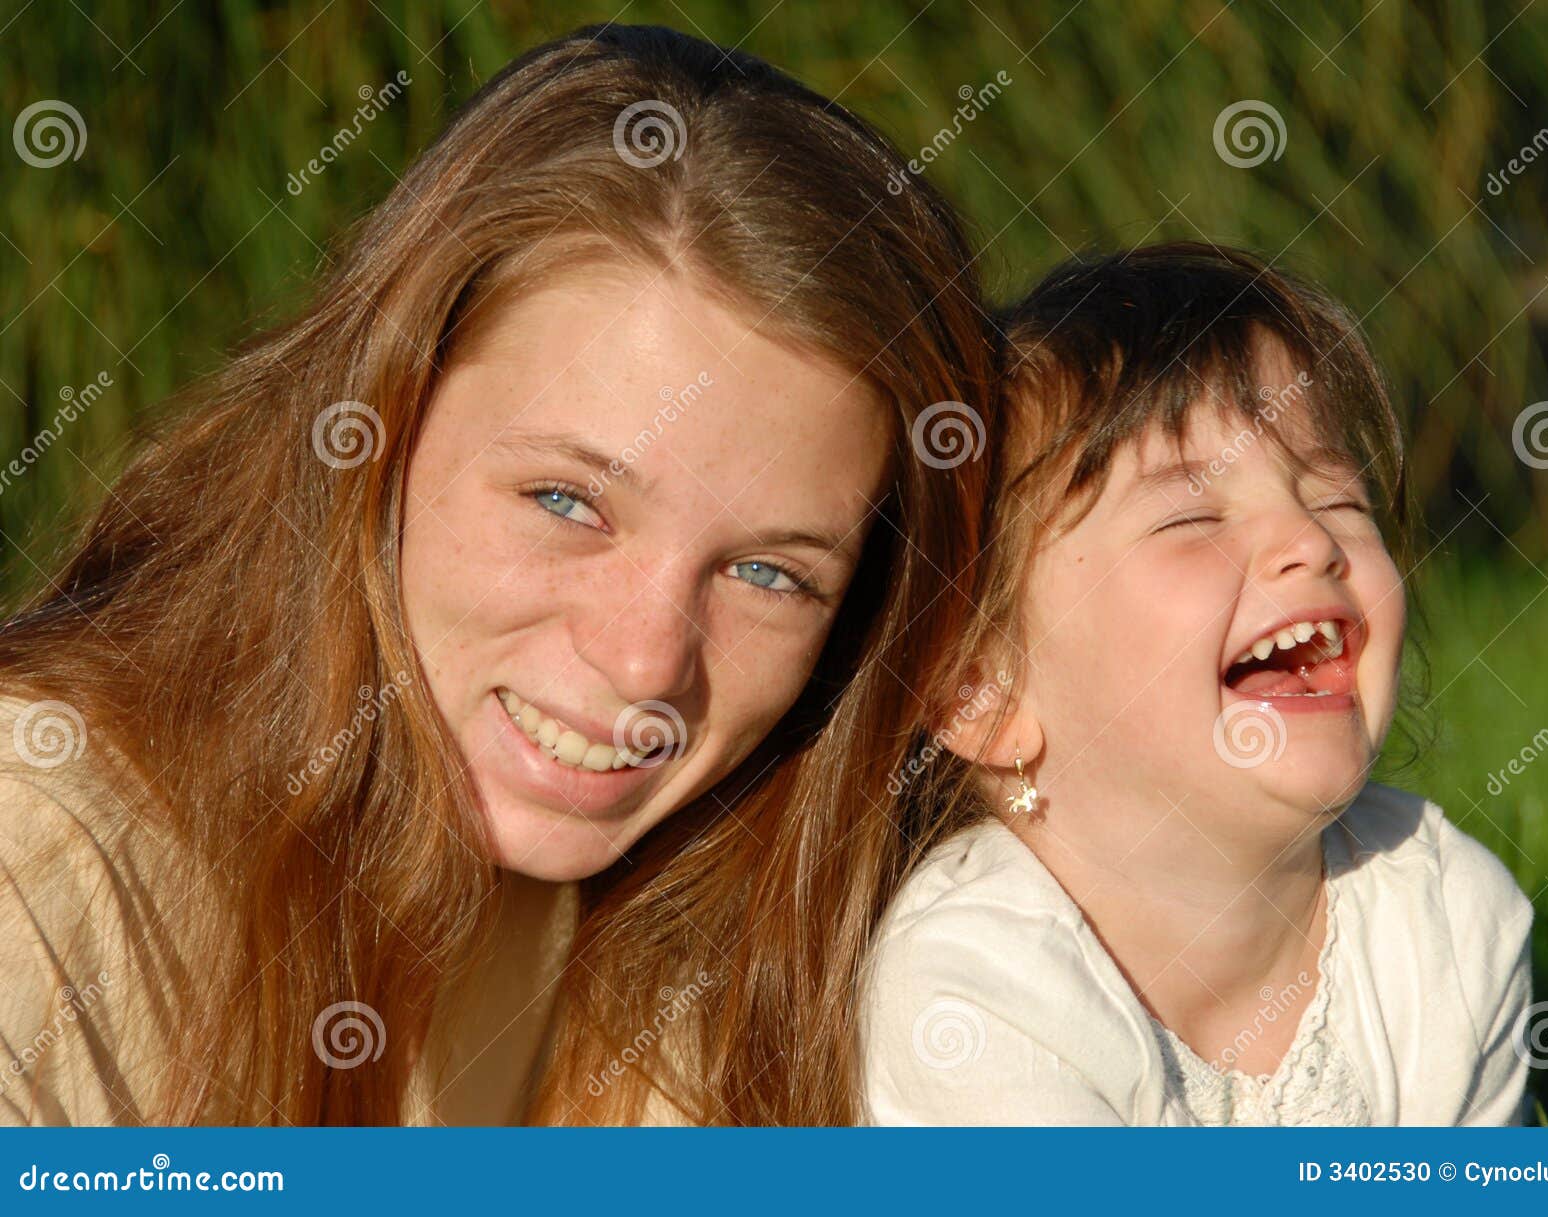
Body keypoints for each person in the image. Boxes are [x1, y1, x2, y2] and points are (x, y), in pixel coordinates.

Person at [0, 24, 997, 1126]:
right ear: (377, 426)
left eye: (768, 573)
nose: (641, 659)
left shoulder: (722, 899)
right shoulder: (35, 861)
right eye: (566, 502)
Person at [859, 243, 1534, 1125]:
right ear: (980, 692)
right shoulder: (971, 981)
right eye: (1192, 515)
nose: (1309, 538)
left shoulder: (1445, 917)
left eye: (1337, 499)